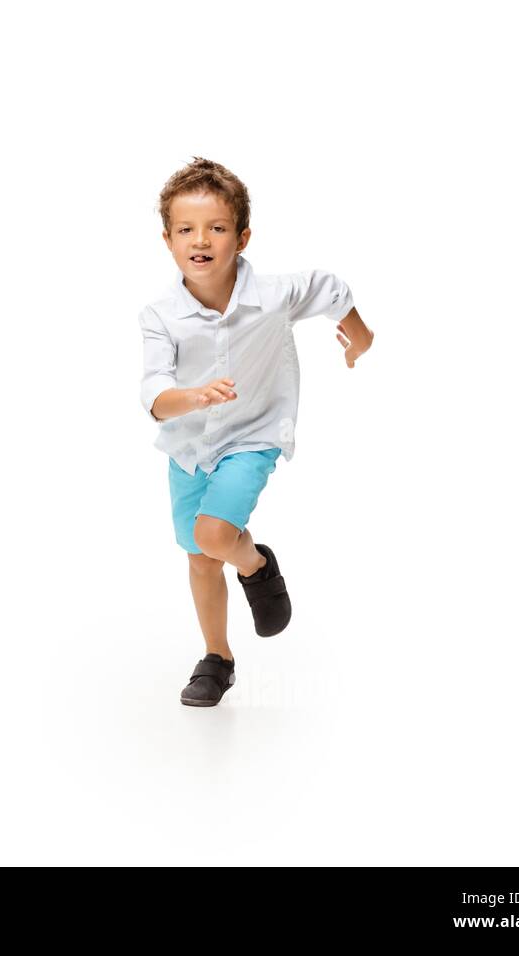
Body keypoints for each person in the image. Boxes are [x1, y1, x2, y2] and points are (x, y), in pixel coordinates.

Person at [138, 159, 375, 706]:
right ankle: (217, 658)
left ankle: (256, 565)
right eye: (186, 230)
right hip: (189, 446)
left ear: (241, 237)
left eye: (217, 228)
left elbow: (330, 287)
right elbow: (153, 393)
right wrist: (193, 397)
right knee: (199, 556)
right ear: (168, 239)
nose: (201, 241)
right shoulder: (159, 316)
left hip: (253, 434)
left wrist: (360, 336)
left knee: (216, 537)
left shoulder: (273, 295)